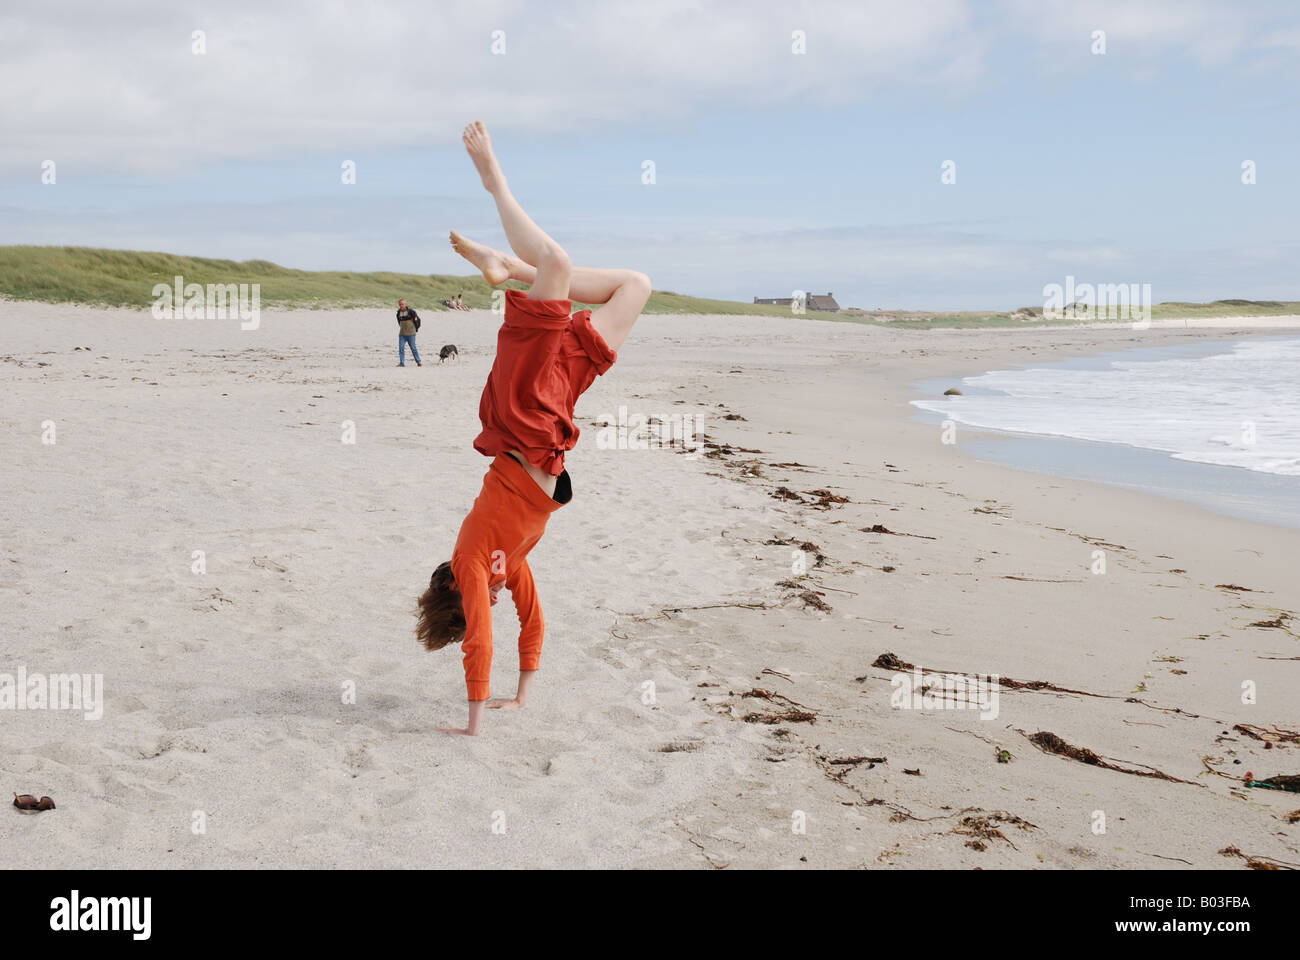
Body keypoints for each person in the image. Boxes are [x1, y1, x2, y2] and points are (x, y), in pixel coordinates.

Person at [417, 121, 651, 736]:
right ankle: (509, 269)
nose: (487, 604)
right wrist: (521, 697)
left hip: (522, 411)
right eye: (484, 605)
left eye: (474, 608)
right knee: (637, 286)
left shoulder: (472, 559)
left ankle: (494, 183)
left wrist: (473, 721)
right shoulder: (508, 565)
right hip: (553, 416)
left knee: (559, 262)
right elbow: (534, 620)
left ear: (457, 597)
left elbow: (482, 642)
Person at [396, 299, 422, 367]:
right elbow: (399, 322)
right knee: (401, 348)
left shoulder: (411, 312)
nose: (401, 305)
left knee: (413, 348)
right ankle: (402, 363)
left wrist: (416, 329)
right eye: (400, 304)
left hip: (411, 334)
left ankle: (418, 361)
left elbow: (417, 321)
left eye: (402, 304)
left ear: (405, 304)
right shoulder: (398, 313)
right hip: (402, 334)